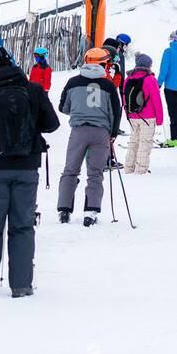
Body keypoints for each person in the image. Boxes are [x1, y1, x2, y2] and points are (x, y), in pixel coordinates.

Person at [0, 45, 60, 296]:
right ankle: (21, 285)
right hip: (28, 168)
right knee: (23, 226)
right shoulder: (34, 90)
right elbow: (52, 124)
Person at [57, 49, 121, 225]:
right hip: (101, 132)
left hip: (78, 131)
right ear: (102, 64)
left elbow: (63, 107)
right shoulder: (108, 85)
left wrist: (79, 109)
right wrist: (113, 132)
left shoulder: (72, 82)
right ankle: (91, 211)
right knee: (95, 173)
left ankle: (64, 210)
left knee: (70, 170)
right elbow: (116, 111)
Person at [123, 53, 163, 175]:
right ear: (147, 66)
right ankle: (140, 170)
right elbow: (156, 100)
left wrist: (128, 114)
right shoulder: (150, 80)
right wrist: (159, 119)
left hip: (133, 116)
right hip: (148, 117)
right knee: (145, 143)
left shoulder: (128, 79)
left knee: (133, 142)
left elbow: (124, 97)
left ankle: (129, 168)